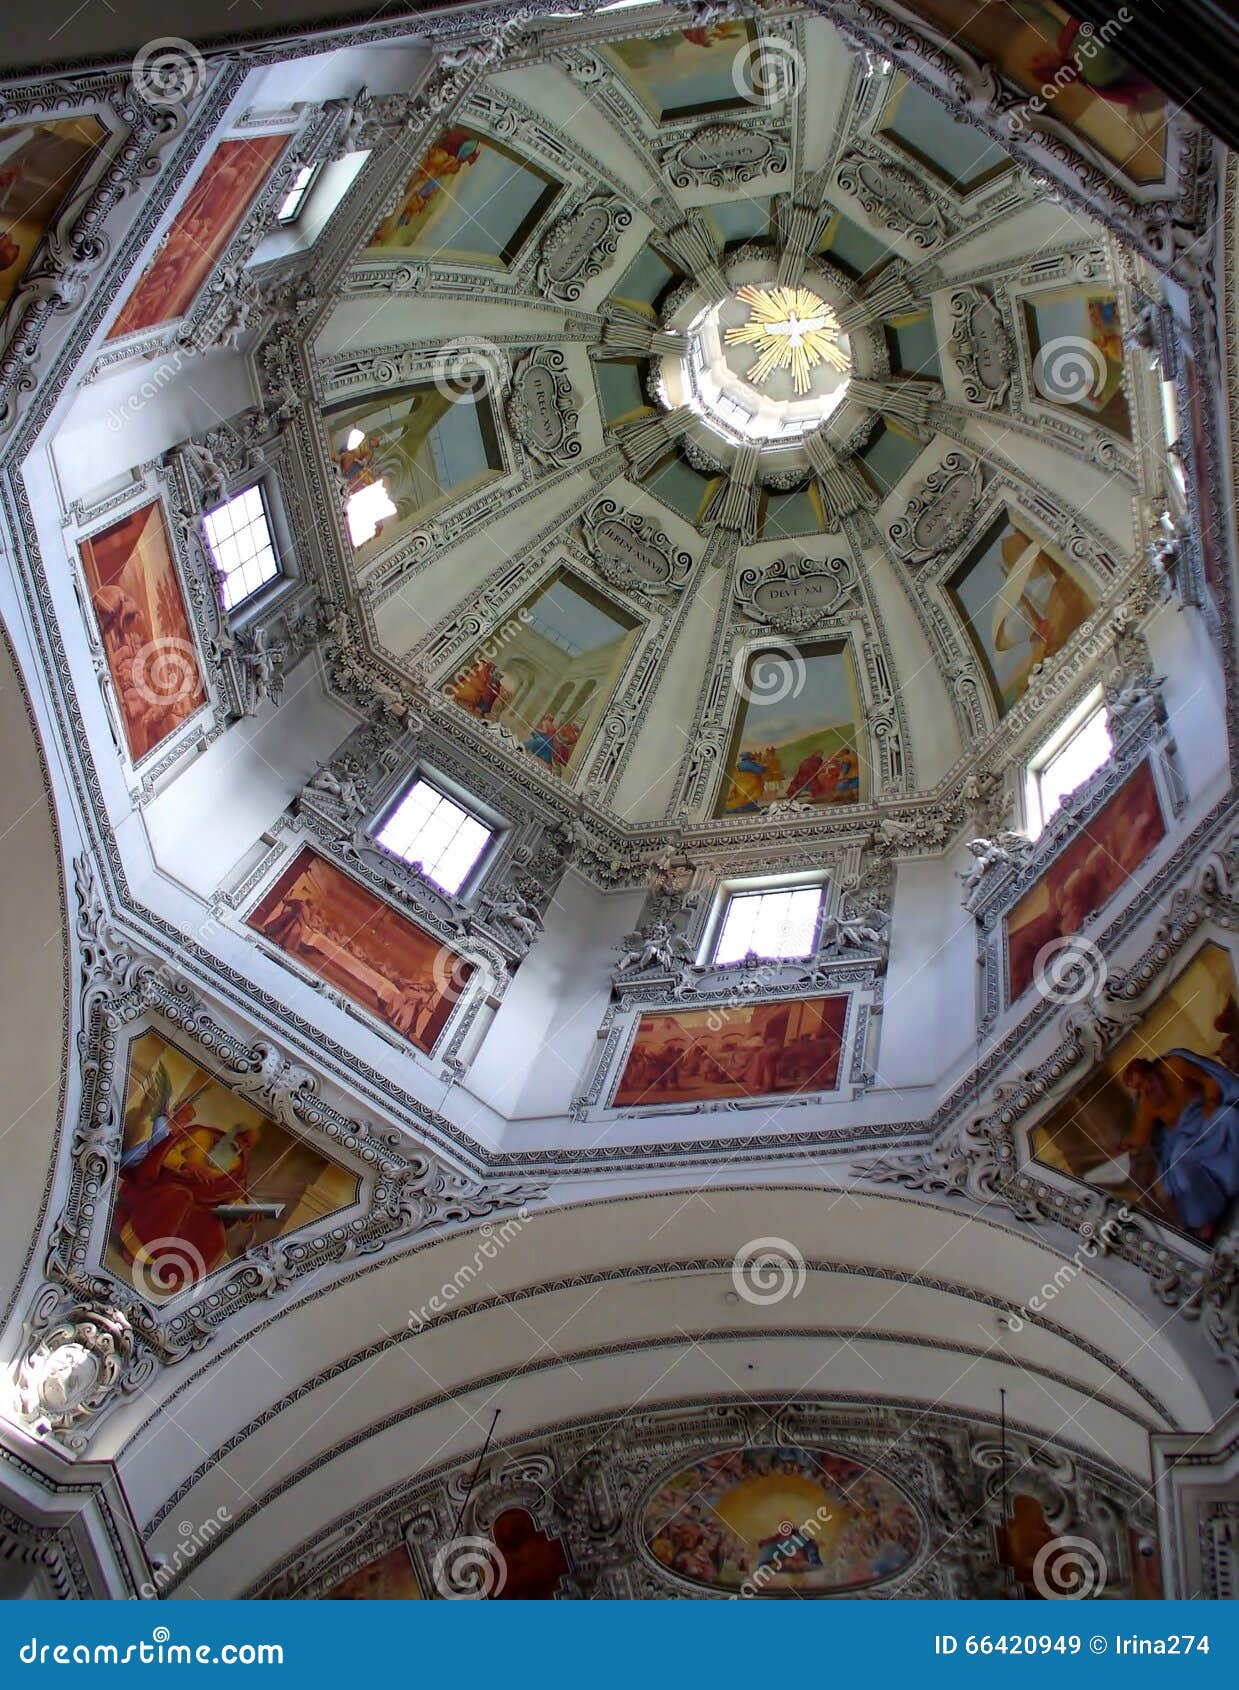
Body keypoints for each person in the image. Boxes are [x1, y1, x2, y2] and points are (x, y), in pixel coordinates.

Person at [1120, 1049, 1239, 1238]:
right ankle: (1207, 1214)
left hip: (1206, 1117)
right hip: (1187, 1137)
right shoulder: (1148, 1102)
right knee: (1179, 1160)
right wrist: (1128, 1144)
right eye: (1139, 1087)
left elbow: (1209, 1081)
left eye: (1146, 1081)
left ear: (1153, 1071)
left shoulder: (1175, 1066)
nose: (1147, 1088)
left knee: (1229, 1116)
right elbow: (1141, 1136)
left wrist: (1211, 1101)